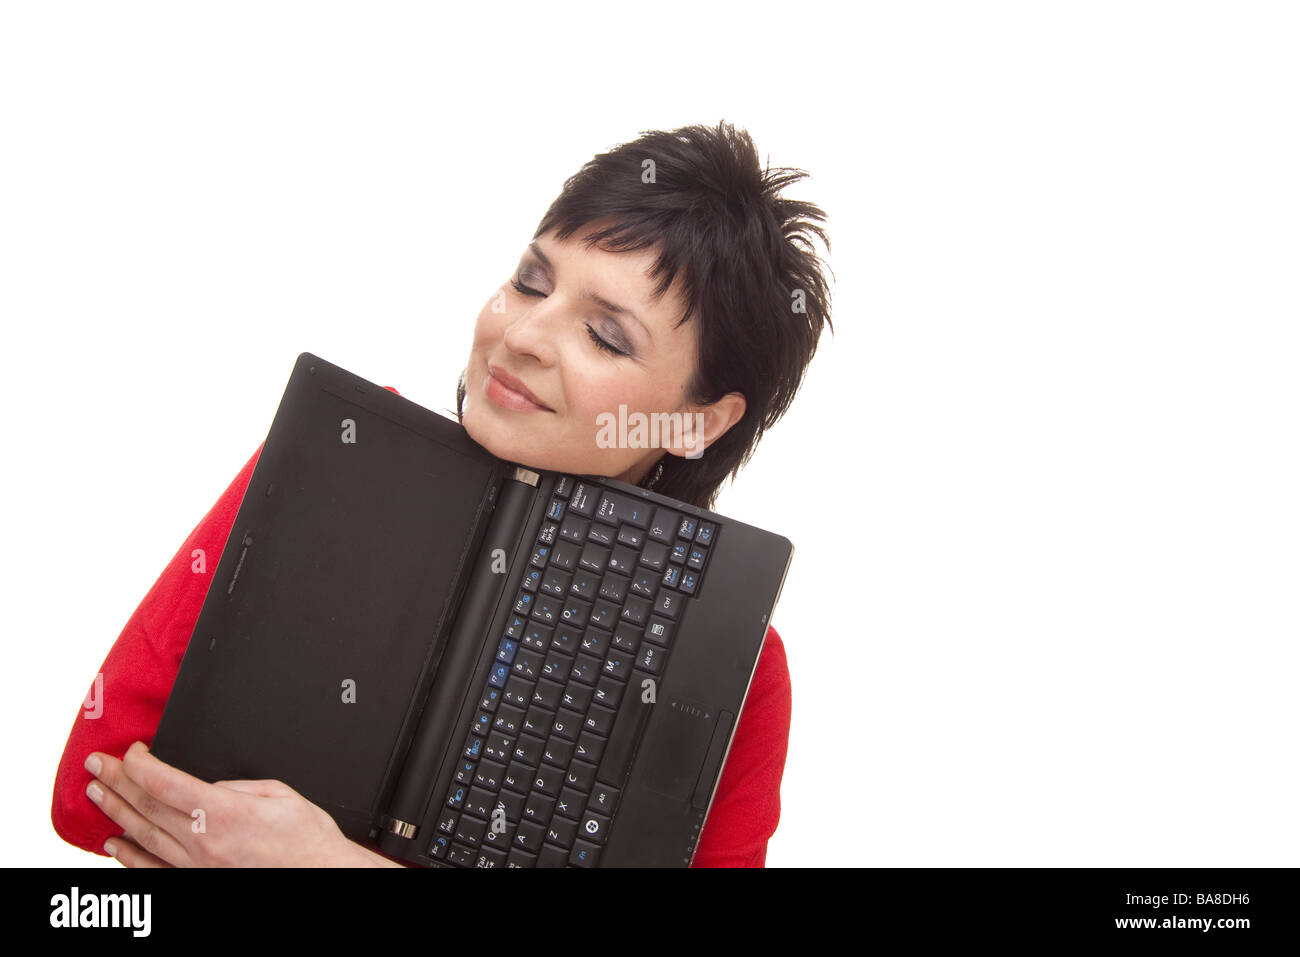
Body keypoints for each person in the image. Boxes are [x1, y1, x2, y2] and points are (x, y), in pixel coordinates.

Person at [51, 120, 833, 867]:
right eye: (531, 282)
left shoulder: (739, 666)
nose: (521, 334)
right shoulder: (336, 455)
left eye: (605, 335)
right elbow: (93, 790)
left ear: (698, 421)